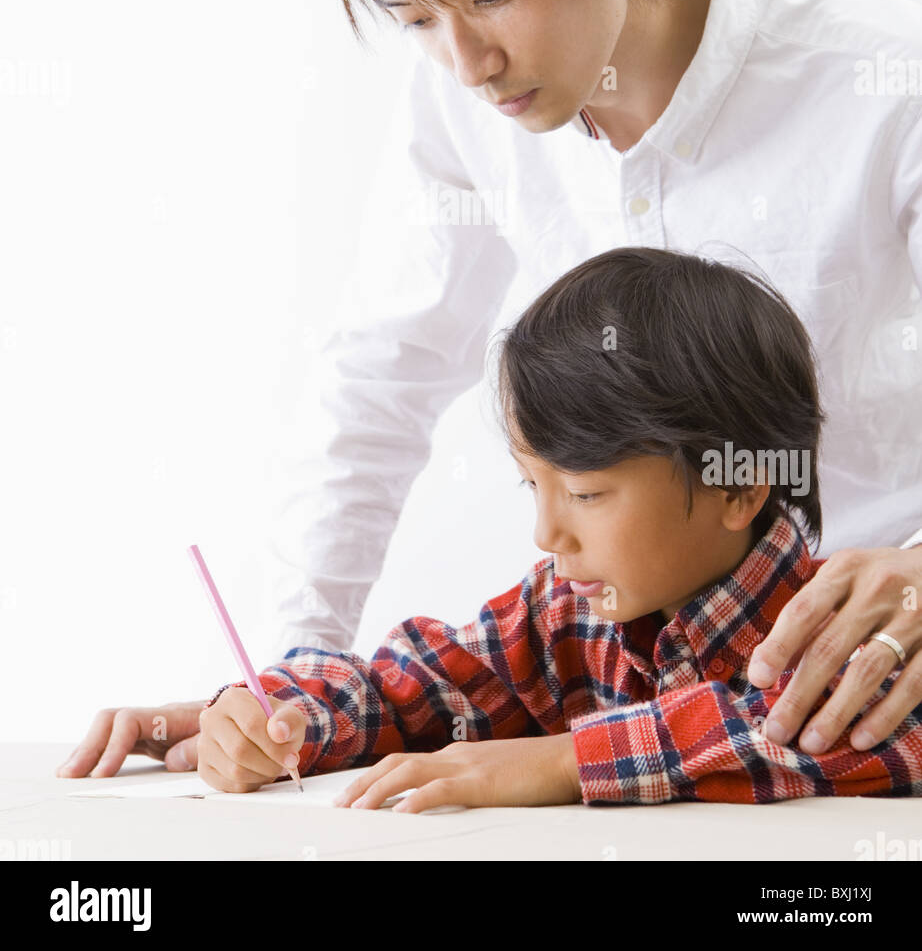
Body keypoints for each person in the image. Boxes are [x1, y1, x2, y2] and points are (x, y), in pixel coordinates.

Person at [55, 0, 922, 782]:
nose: (465, 64)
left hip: (857, 704)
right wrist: (291, 686)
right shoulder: (466, 108)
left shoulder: (878, 79)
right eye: (417, 19)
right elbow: (381, 374)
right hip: (628, 683)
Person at [195, 248, 922, 806]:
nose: (548, 533)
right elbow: (410, 689)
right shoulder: (564, 611)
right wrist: (286, 714)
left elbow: (795, 735)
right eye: (532, 485)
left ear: (738, 484)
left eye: (584, 491)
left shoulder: (861, 629)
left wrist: (560, 761)